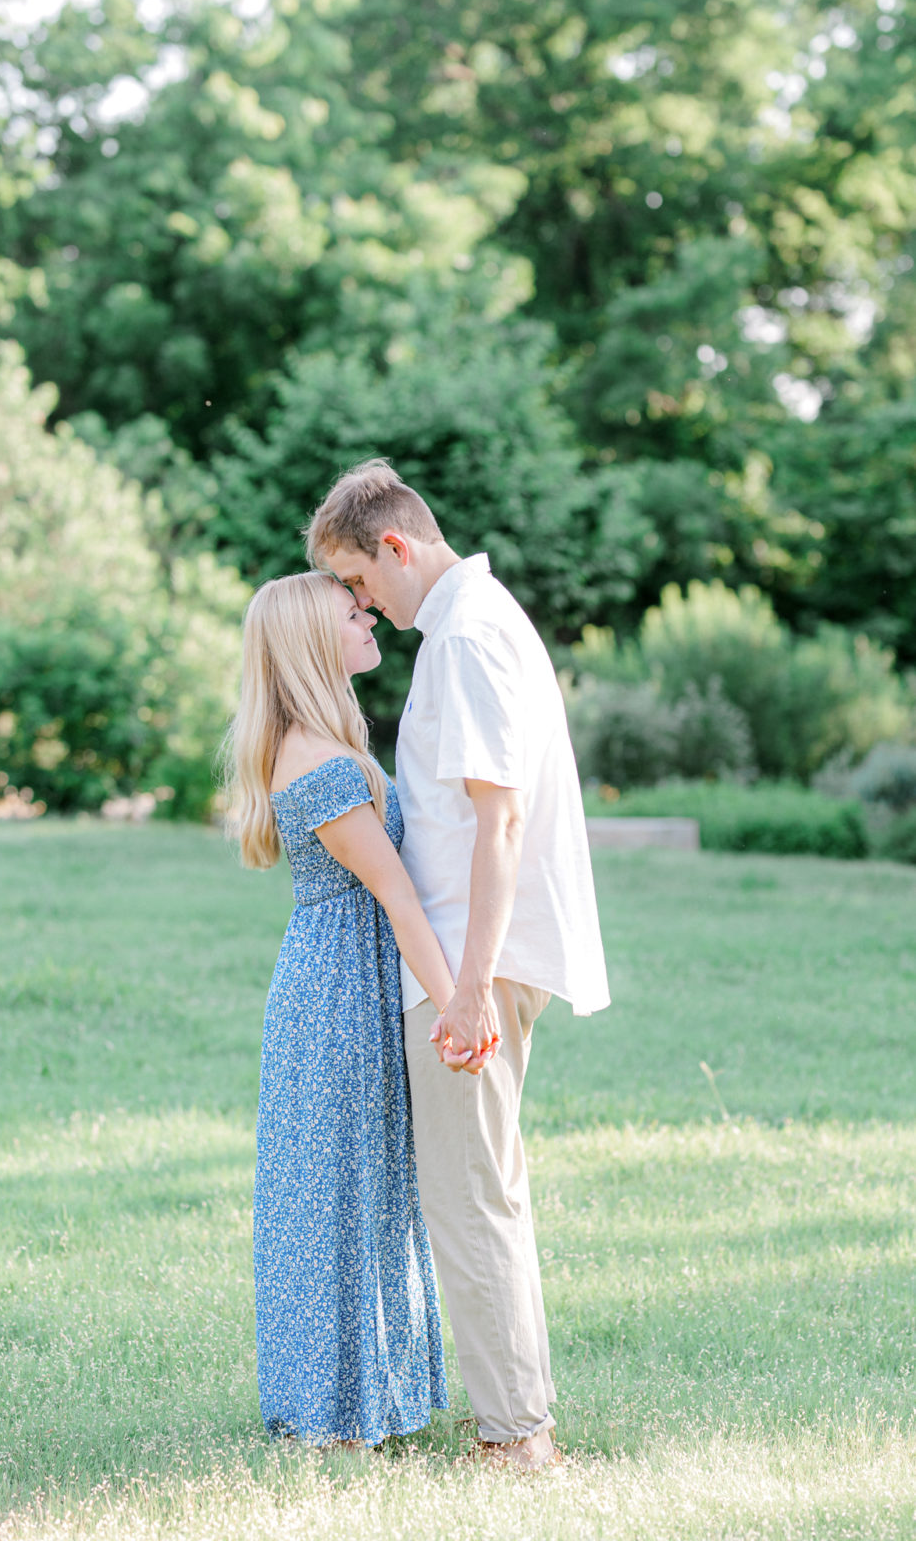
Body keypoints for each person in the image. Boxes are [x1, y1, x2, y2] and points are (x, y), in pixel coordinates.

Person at [306, 461, 610, 1472]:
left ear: (396, 546)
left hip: (476, 959)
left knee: (470, 1194)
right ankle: (516, 1421)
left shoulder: (470, 636)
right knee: (480, 1187)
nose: (360, 603)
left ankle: (517, 1439)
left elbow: (500, 820)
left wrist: (468, 985)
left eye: (358, 579)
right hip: (468, 956)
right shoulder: (463, 628)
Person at [225, 570, 452, 1449]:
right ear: (312, 643)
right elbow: (395, 894)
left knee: (359, 1187)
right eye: (352, 615)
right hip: (339, 991)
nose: (370, 621)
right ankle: (336, 1411)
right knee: (340, 1194)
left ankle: (363, 1399)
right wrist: (457, 1004)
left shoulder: (321, 743)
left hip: (342, 975)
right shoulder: (319, 763)